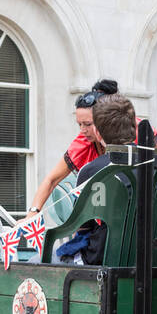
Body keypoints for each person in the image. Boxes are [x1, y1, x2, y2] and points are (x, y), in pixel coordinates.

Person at [22, 78, 117, 224]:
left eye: (88, 124)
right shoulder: (83, 142)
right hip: (98, 218)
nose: (83, 130)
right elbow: (51, 179)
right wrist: (32, 213)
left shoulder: (134, 129)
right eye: (79, 124)